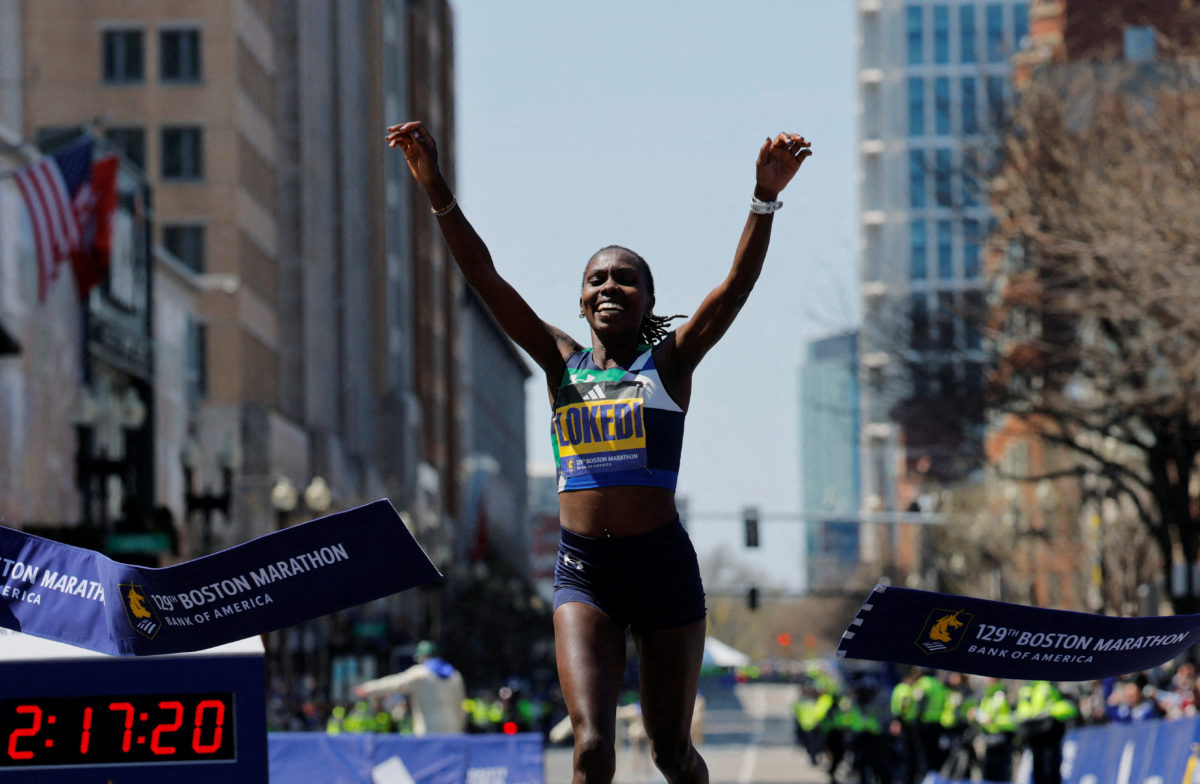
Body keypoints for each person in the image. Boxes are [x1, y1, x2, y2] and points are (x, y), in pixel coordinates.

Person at [387, 120, 811, 784]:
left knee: (671, 750)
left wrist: (763, 198)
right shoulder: (561, 364)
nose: (609, 286)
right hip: (585, 574)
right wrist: (434, 185)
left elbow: (732, 291)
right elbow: (486, 277)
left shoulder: (669, 365)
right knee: (591, 748)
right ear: (581, 300)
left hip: (663, 569)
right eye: (596, 279)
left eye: (625, 279)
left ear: (647, 301)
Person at [353, 640, 466, 735]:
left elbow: (396, 683)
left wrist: (368, 688)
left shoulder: (421, 673)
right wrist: (460, 727)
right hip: (452, 729)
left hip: (429, 730)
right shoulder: (454, 675)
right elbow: (460, 705)